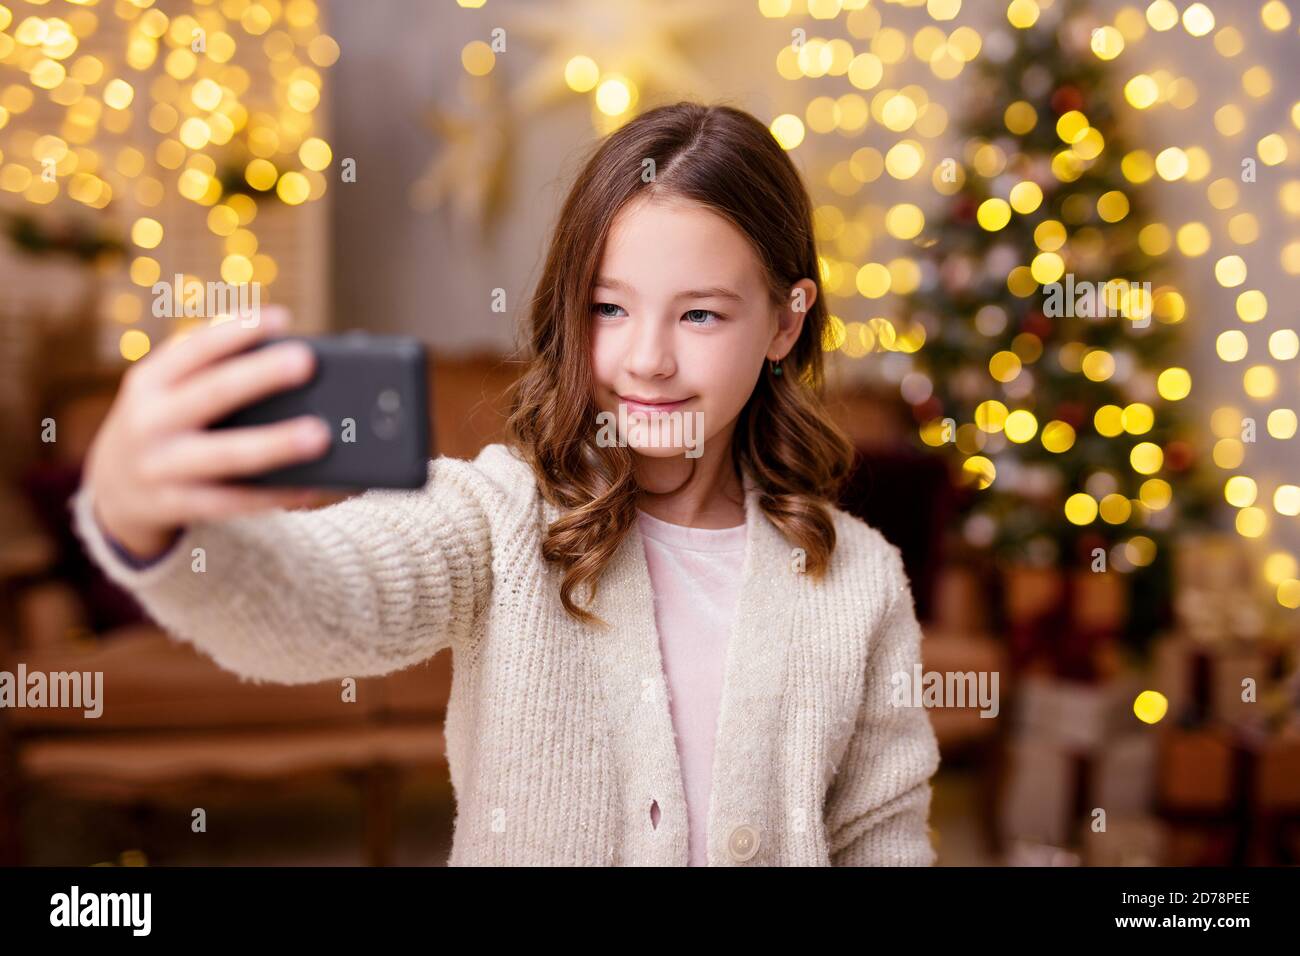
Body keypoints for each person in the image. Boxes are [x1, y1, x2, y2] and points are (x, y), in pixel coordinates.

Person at [73, 101, 940, 866]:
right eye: (609, 308)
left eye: (701, 313)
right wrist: (142, 516)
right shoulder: (497, 516)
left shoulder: (861, 581)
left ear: (786, 321)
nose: (647, 359)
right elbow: (323, 597)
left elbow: (882, 837)